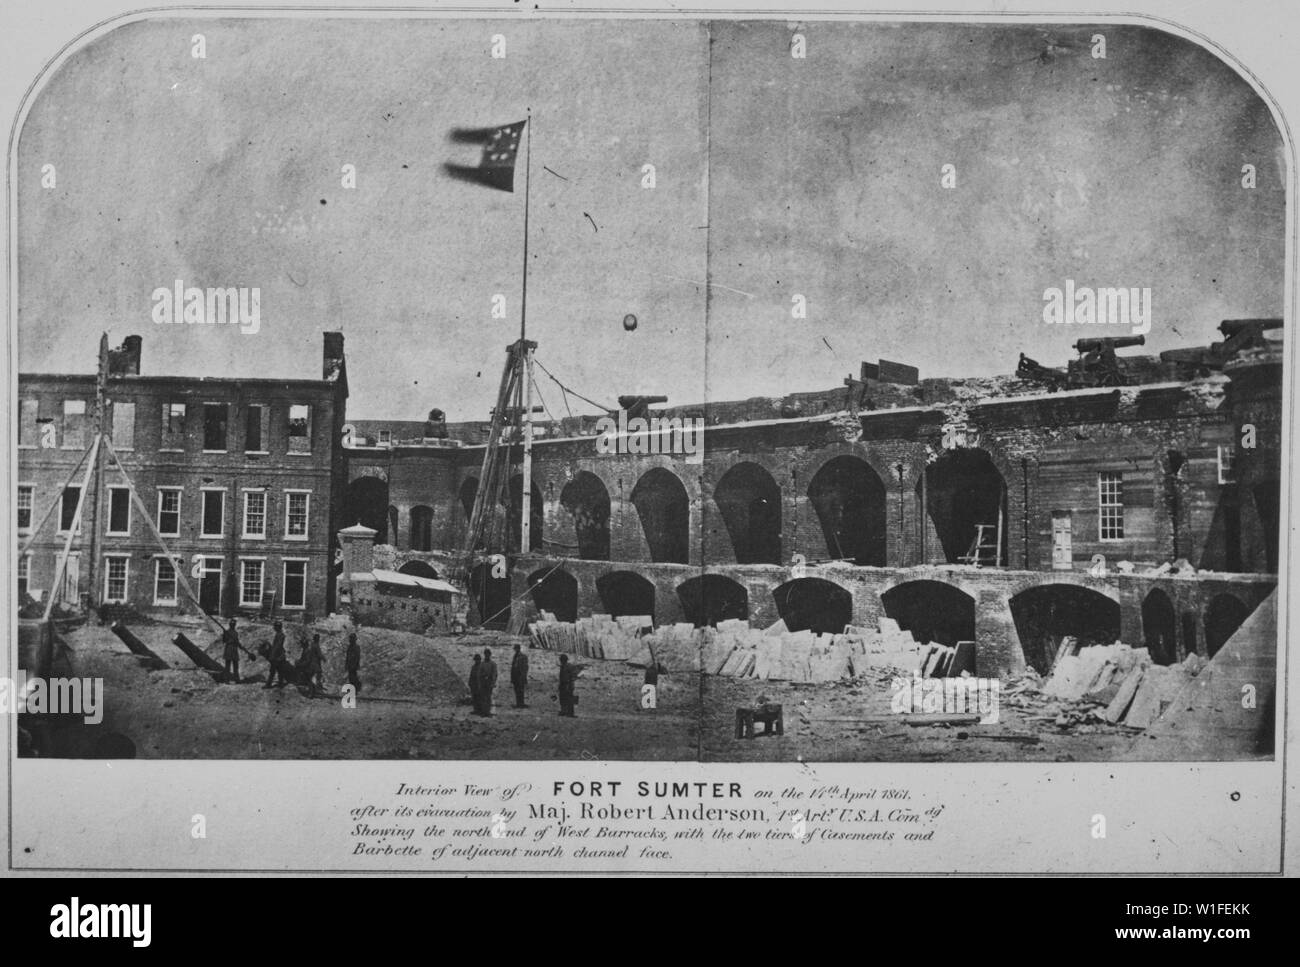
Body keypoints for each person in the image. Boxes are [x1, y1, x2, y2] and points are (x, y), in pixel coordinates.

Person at [264, 620, 287, 689]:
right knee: (278, 670)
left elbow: (278, 646)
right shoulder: (279, 634)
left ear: (278, 627)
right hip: (278, 655)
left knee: (274, 671)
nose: (274, 628)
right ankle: (280, 684)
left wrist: (272, 655)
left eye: (275, 627)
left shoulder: (280, 635)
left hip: (278, 656)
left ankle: (269, 685)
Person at [222, 618, 242, 683]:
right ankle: (226, 680)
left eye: (234, 624)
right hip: (229, 648)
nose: (233, 625)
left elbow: (237, 641)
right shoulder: (226, 632)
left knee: (235, 665)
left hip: (234, 649)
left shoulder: (236, 633)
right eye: (232, 624)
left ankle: (236, 679)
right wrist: (224, 635)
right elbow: (224, 641)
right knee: (228, 665)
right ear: (230, 625)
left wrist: (240, 646)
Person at [305, 633, 325, 697]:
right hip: (315, 664)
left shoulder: (312, 645)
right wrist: (324, 659)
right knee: (316, 677)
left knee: (311, 678)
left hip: (312, 663)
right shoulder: (316, 645)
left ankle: (312, 692)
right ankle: (314, 691)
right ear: (318, 639)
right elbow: (319, 654)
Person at [480, 648, 498, 717]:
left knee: (489, 697)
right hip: (483, 682)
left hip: (489, 682)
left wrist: (493, 682)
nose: (487, 655)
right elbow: (479, 674)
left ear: (490, 655)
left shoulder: (493, 664)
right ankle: (484, 711)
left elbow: (495, 674)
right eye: (485, 654)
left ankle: (488, 711)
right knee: (484, 697)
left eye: (488, 654)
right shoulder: (482, 664)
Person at [510, 643, 529, 708]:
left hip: (520, 676)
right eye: (515, 649)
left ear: (519, 649)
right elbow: (513, 667)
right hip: (515, 675)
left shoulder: (523, 657)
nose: (516, 650)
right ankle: (519, 703)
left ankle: (521, 703)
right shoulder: (515, 656)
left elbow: (525, 667)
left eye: (516, 648)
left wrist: (523, 676)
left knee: (520, 690)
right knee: (517, 690)